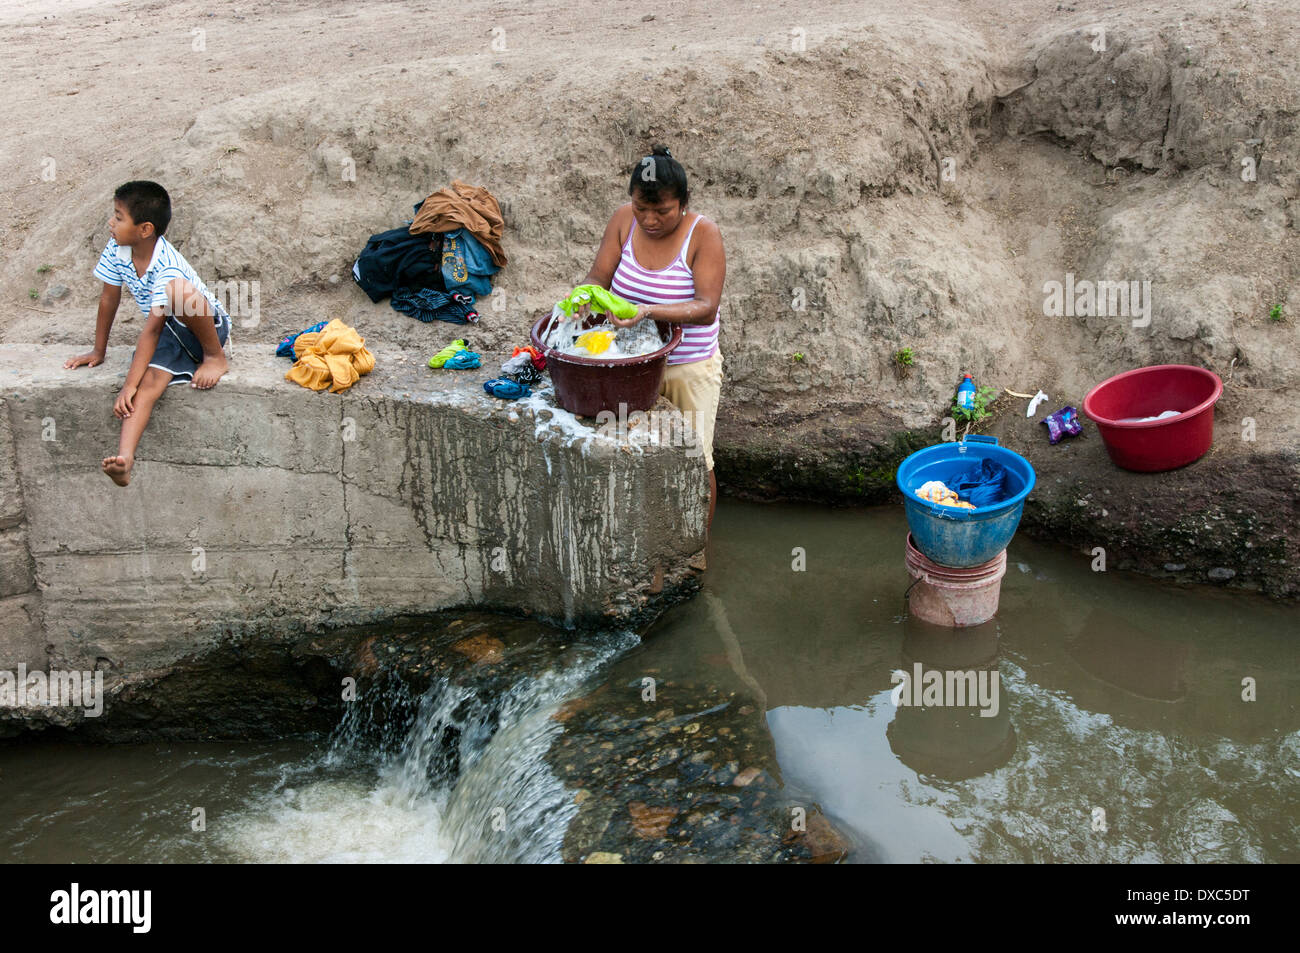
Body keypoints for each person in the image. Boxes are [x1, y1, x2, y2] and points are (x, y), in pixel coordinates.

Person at [576, 144, 726, 531]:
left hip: (687, 367)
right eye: (642, 209)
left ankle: (695, 553)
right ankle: (651, 548)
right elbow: (599, 276)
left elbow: (706, 306)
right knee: (638, 456)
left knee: (696, 458)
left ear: (683, 203)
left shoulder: (703, 234)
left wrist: (646, 311)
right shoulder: (624, 221)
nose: (650, 220)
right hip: (631, 366)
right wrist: (585, 297)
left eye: (662, 211)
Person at [65, 181, 231, 486]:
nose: (110, 223)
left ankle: (215, 358)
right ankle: (125, 461)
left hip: (204, 324)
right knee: (149, 384)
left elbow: (151, 330)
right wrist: (98, 351)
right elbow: (108, 298)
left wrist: (126, 384)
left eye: (118, 217)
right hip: (168, 330)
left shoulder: (166, 264)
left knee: (179, 291)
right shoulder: (117, 248)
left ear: (145, 229)